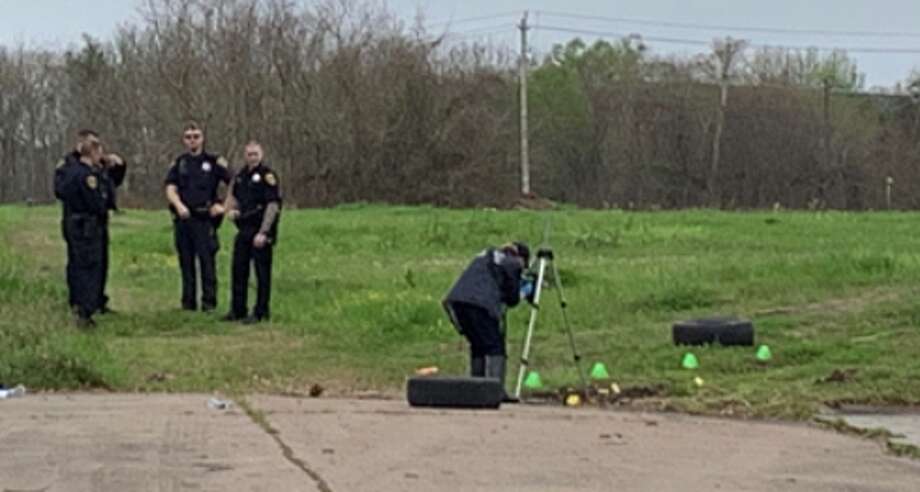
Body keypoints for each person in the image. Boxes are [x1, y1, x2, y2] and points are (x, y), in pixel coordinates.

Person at [442, 242, 533, 401]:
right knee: (494, 346)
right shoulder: (513, 263)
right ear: (522, 259)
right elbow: (512, 299)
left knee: (478, 345)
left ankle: (476, 390)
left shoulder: (486, 255)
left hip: (456, 302)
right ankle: (494, 390)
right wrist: (524, 291)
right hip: (479, 305)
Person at [164, 122, 230, 312]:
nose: (192, 140)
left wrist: (223, 206)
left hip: (205, 219)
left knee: (207, 262)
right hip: (184, 219)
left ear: (202, 139)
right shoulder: (179, 163)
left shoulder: (214, 162)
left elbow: (234, 182)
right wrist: (178, 205)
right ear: (184, 140)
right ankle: (188, 303)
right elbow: (170, 187)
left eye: (196, 136)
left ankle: (209, 303)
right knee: (186, 263)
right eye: (188, 137)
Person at [52, 130, 109, 328]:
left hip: (72, 224)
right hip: (87, 226)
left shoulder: (69, 171)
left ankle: (77, 305)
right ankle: (85, 312)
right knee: (88, 268)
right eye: (98, 150)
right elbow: (97, 204)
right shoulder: (87, 176)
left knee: (76, 265)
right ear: (92, 152)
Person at [222, 141, 282, 324]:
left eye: (255, 154)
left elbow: (273, 206)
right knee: (238, 271)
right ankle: (238, 309)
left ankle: (261, 312)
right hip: (244, 230)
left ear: (261, 155)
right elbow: (233, 199)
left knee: (262, 274)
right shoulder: (241, 176)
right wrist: (231, 211)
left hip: (261, 231)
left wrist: (264, 232)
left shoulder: (268, 176)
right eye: (249, 154)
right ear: (245, 155)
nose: (252, 157)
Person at [93, 148, 127, 314]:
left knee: (101, 264)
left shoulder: (102, 170)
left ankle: (100, 301)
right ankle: (86, 304)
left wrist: (120, 165)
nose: (101, 153)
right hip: (85, 222)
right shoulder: (80, 169)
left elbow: (115, 182)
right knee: (88, 265)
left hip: (101, 221)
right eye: (97, 150)